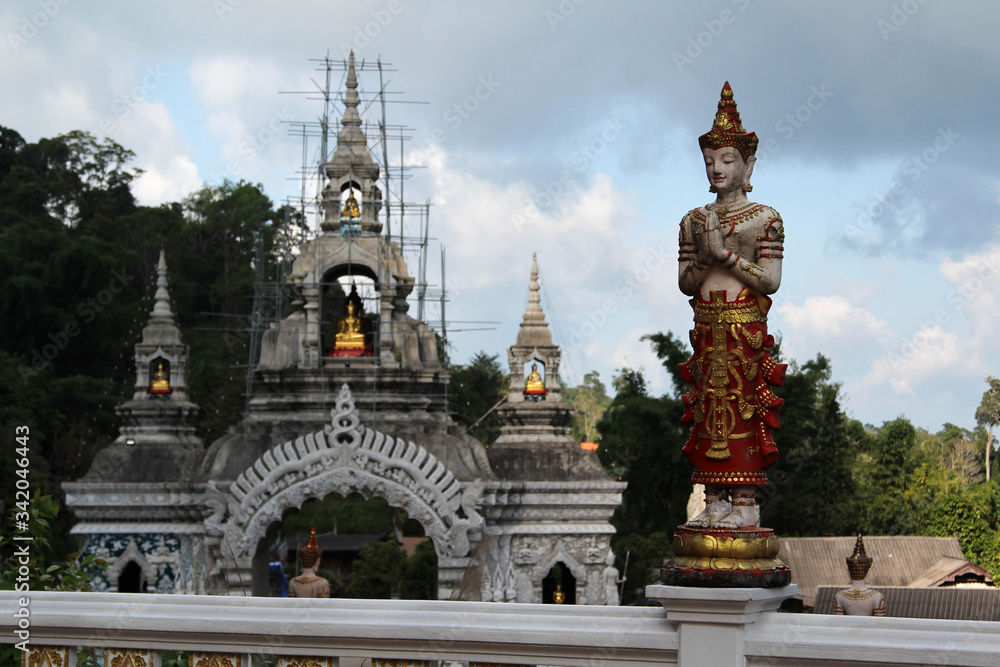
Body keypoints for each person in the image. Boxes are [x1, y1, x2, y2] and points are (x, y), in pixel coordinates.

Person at [677, 82, 787, 529]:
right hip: (707, 331)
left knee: (743, 406)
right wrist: (705, 255)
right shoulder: (693, 221)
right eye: (710, 162)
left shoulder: (765, 218)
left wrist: (728, 257)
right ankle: (714, 498)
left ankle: (745, 502)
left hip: (744, 330)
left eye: (727, 160)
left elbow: (772, 281)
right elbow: (685, 283)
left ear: (748, 164)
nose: (717, 169)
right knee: (707, 410)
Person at [834, 535, 886, 616]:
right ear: (868, 573)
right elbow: (879, 623)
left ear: (848, 572)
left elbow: (839, 621)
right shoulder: (876, 597)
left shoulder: (840, 596)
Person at [289, 528, 330, 598]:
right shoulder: (322, 583)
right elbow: (323, 605)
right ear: (317, 561)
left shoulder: (293, 582)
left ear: (300, 561)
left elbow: (292, 603)